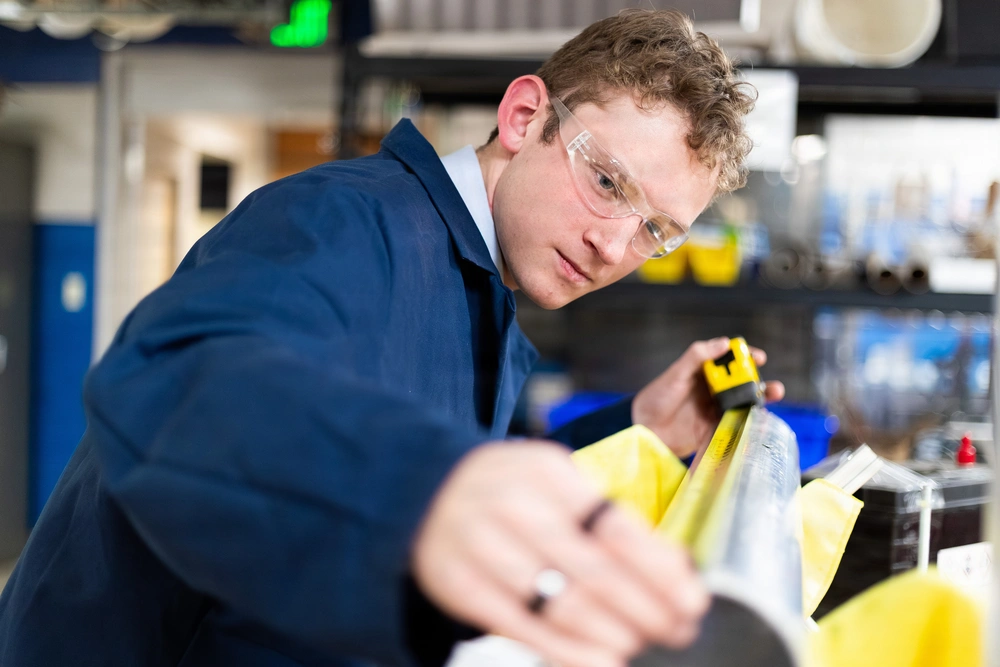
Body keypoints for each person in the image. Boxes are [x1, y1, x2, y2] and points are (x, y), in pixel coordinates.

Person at [0, 9, 781, 667]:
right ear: (524, 117)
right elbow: (170, 375)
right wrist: (427, 496)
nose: (616, 245)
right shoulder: (342, 223)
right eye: (608, 183)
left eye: (655, 229)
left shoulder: (483, 284)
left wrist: (634, 427)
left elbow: (469, 476)